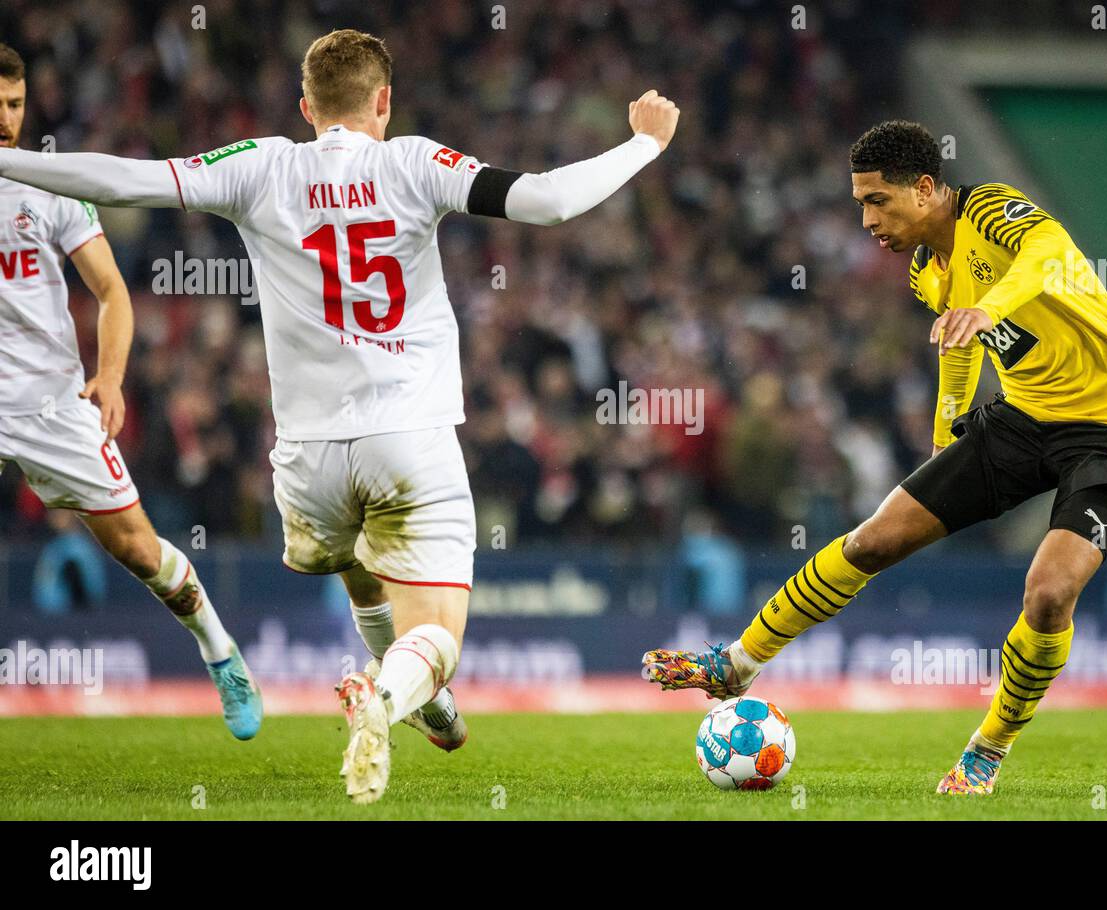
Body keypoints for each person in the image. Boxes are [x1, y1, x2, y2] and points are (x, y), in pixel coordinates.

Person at [0, 28, 679, 804]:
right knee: (439, 634)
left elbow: (122, 179)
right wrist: (642, 146)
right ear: (384, 101)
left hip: (308, 461)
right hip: (407, 440)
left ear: (304, 106)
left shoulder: (261, 166)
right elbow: (550, 201)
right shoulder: (415, 161)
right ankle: (387, 699)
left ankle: (421, 699)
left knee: (358, 559)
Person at [643, 120, 1107, 796]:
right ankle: (738, 662)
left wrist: (988, 306)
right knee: (872, 541)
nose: (867, 220)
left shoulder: (988, 210)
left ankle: (989, 746)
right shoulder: (928, 271)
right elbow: (959, 345)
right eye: (860, 203)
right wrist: (948, 437)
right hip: (1020, 422)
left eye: (877, 201)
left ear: (924, 190)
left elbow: (1051, 253)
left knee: (1048, 592)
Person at [0, 43, 260, 739]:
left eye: (16, 104)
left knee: (141, 552)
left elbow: (114, 292)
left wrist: (110, 377)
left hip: (50, 406)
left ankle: (220, 650)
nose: (6, 119)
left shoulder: (50, 184)